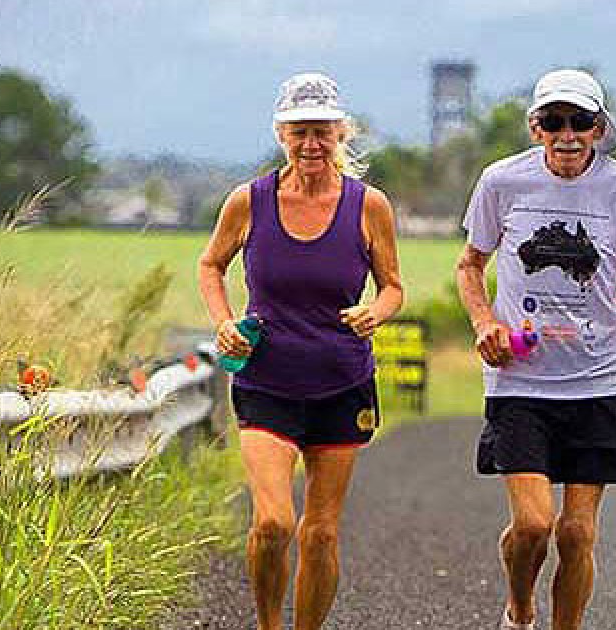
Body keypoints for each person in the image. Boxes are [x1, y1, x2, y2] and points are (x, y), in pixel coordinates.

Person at [455, 69, 616, 630]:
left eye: (580, 122)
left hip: (599, 381)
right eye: (554, 122)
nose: (568, 135)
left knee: (576, 534)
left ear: (599, 128)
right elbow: (469, 265)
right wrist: (484, 322)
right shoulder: (502, 181)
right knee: (533, 525)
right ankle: (520, 610)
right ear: (536, 128)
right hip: (520, 381)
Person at [197, 72, 403, 630]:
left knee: (321, 533)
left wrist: (376, 312)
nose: (311, 143)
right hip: (267, 381)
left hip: (342, 384)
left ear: (341, 133)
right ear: (281, 134)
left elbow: (393, 287)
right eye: (299, 131)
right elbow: (211, 265)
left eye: (321, 131)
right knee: (273, 524)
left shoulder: (369, 206)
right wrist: (223, 322)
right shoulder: (249, 201)